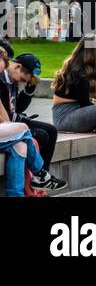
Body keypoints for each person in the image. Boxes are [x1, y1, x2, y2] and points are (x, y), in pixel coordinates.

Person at [0, 49, 66, 191]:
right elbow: (6, 116)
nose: (26, 81)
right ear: (17, 66)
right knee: (38, 135)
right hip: (6, 124)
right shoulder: (2, 80)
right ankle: (40, 176)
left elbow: (17, 108)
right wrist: (20, 121)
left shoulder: (13, 82)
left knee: (51, 130)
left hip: (10, 121)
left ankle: (41, 178)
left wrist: (29, 90)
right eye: (25, 77)